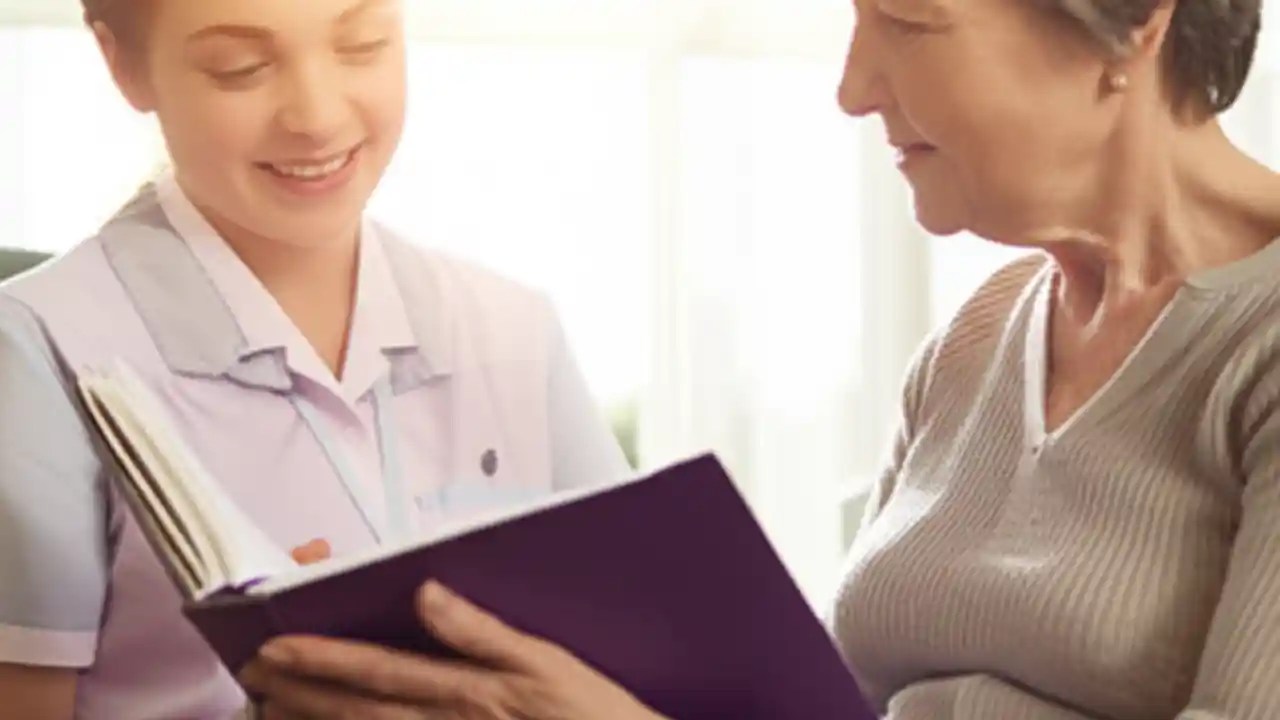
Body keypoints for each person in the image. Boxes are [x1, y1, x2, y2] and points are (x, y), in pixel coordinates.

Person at [239, 0, 1280, 718]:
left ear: (1134, 24)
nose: (852, 87)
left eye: (910, 21)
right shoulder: (973, 342)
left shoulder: (1255, 351)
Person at [0, 0, 630, 717]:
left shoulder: (513, 331)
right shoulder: (39, 350)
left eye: (361, 45)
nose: (318, 115)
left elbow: (646, 661)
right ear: (123, 65)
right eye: (241, 68)